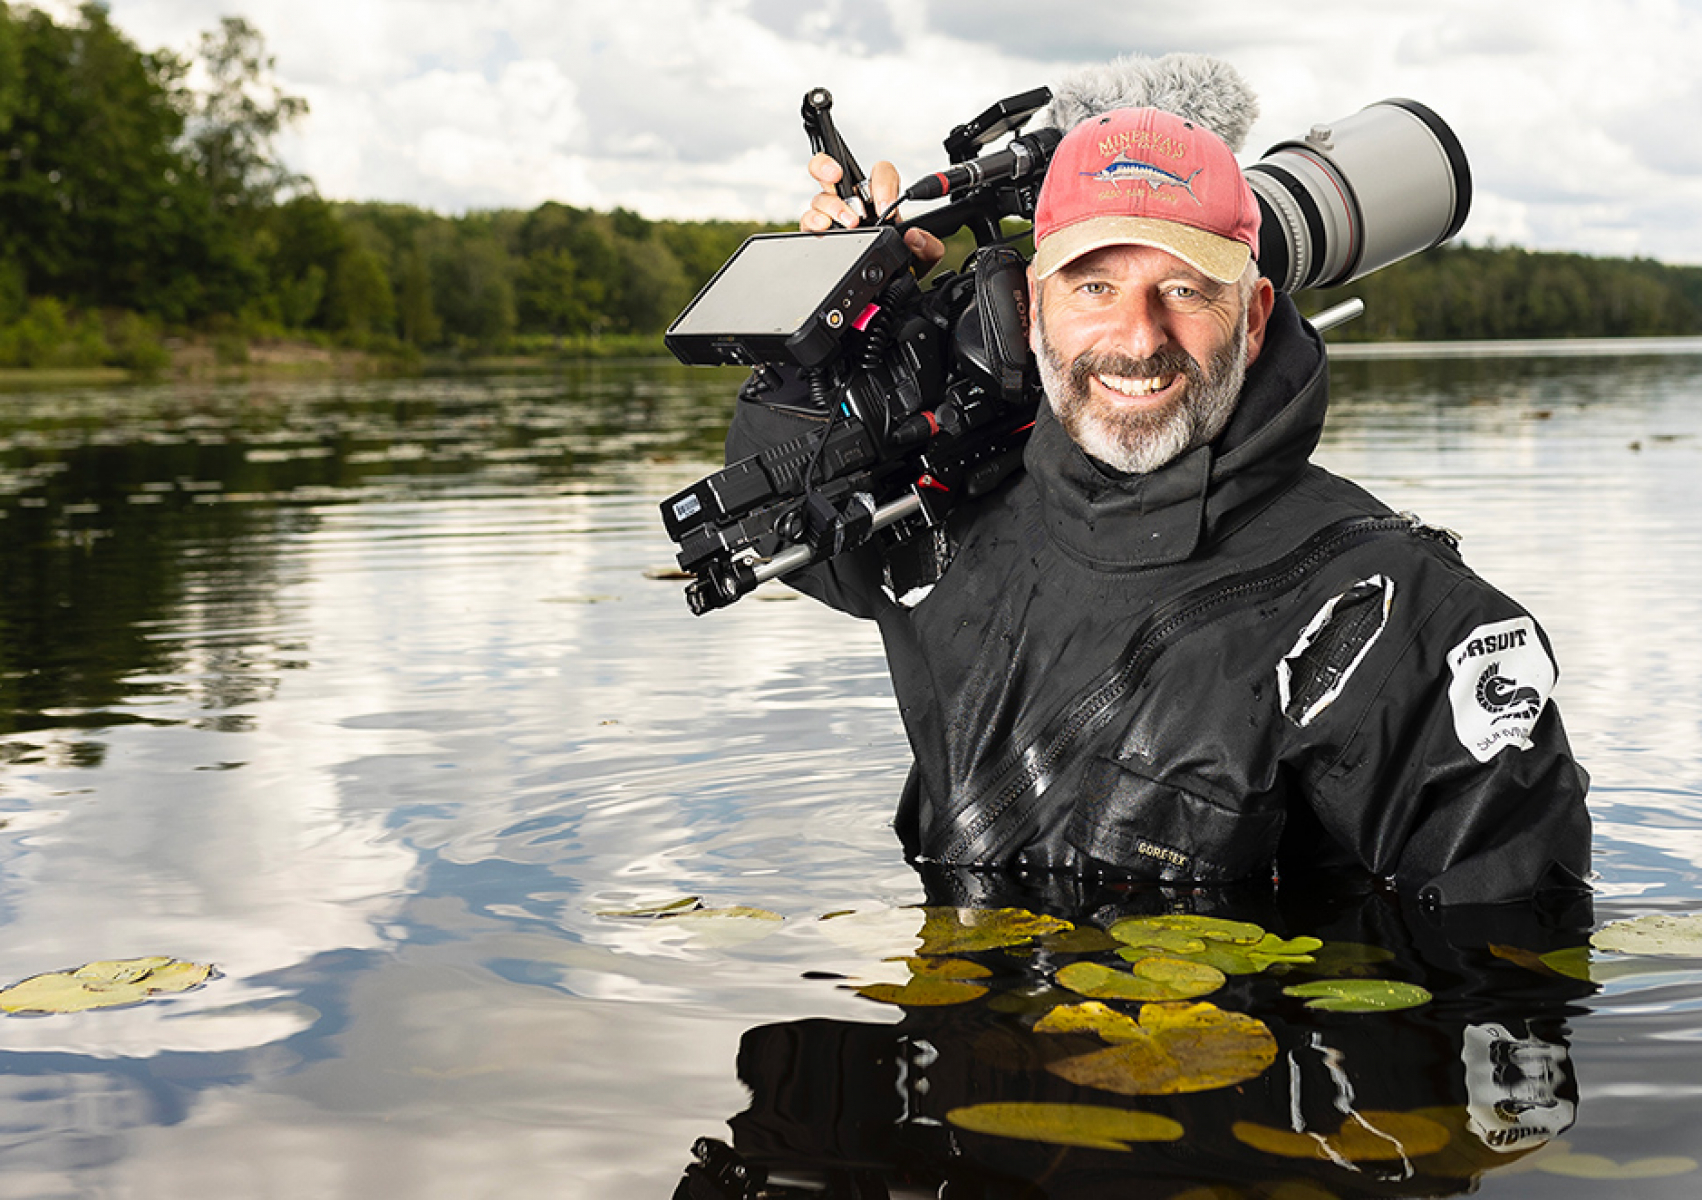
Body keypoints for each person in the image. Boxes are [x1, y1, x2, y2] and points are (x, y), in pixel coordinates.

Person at [728, 105, 1591, 907]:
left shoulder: (1411, 624)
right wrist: (826, 360)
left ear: (1254, 319)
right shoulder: (953, 515)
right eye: (1093, 286)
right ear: (1029, 313)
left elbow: (1506, 986)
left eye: (1184, 289)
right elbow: (766, 520)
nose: (1139, 339)